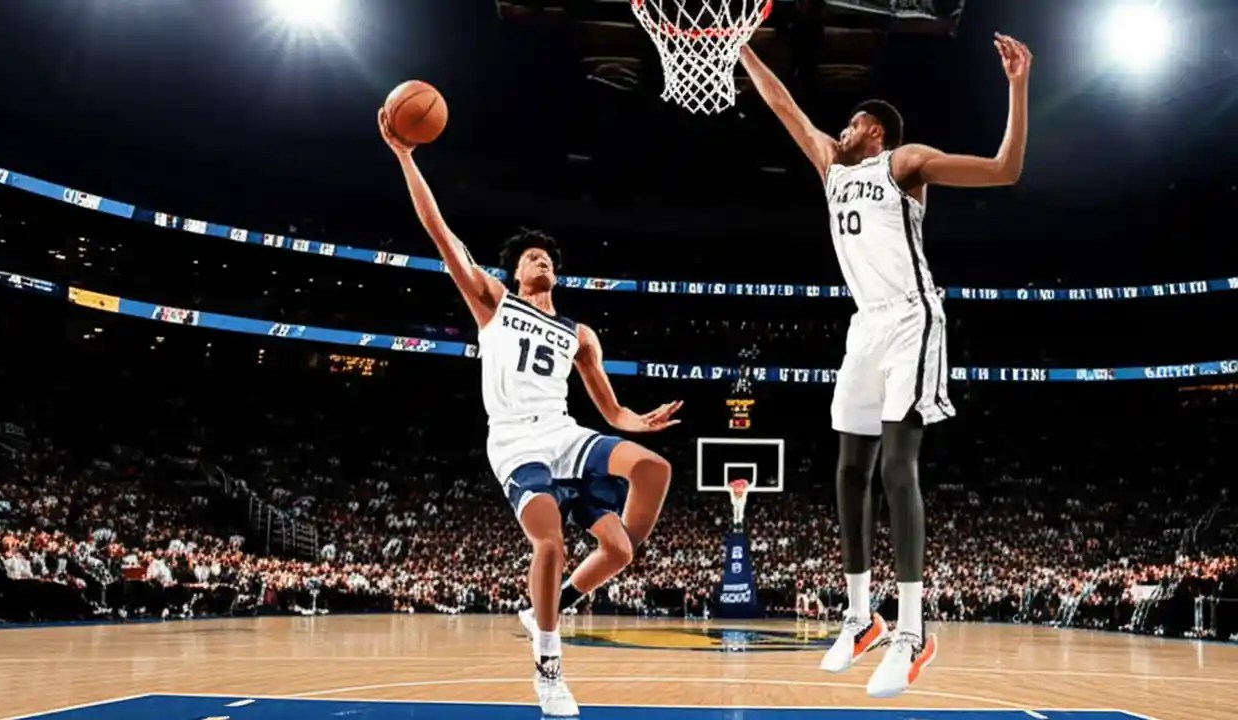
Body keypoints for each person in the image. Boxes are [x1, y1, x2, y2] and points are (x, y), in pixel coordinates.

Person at [739, 33, 1032, 698]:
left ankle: (912, 631)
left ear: (874, 131)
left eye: (852, 123)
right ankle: (859, 614)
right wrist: (743, 50)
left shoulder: (905, 163)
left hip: (911, 318)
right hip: (865, 325)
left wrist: (1016, 85)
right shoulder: (830, 167)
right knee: (850, 468)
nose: (839, 129)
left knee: (899, 466)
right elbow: (783, 105)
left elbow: (1004, 169)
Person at [379, 113, 681, 717]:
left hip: (565, 432)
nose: (540, 261)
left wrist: (635, 422)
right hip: (515, 441)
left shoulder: (580, 333)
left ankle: (573, 587)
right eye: (531, 257)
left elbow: (609, 404)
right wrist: (406, 157)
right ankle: (548, 667)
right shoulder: (491, 302)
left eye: (546, 257)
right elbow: (440, 232)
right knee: (549, 544)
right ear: (515, 270)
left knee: (650, 477)